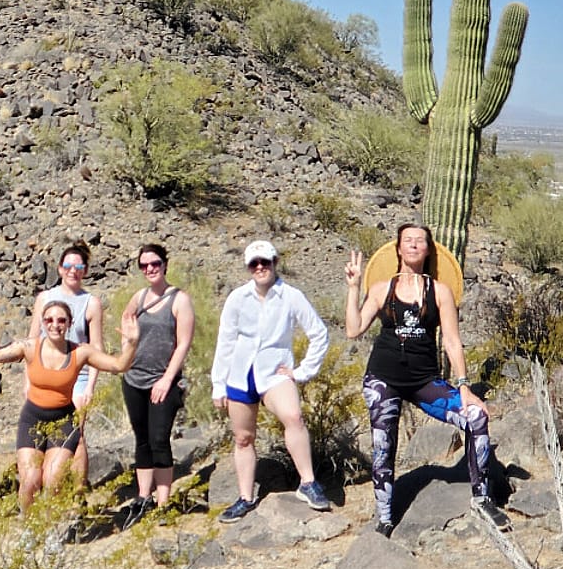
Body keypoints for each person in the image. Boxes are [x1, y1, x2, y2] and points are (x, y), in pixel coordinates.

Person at [345, 223, 510, 536]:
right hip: (383, 379)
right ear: (398, 248)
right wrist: (354, 288)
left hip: (425, 381)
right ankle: (385, 518)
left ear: (428, 250)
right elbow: (354, 329)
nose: (413, 245)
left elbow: (451, 341)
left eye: (420, 241)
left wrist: (464, 387)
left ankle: (483, 499)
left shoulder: (441, 292)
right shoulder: (382, 289)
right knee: (383, 442)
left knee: (475, 417)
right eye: (407, 240)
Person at [0, 298, 138, 512]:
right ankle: (29, 528)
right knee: (30, 480)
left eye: (61, 320)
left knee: (53, 480)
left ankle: (52, 529)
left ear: (70, 323)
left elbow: (119, 365)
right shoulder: (29, 347)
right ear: (42, 322)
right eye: (49, 319)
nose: (55, 325)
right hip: (32, 419)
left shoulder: (80, 352)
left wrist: (133, 344)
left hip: (64, 421)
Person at [211, 240, 332, 523]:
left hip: (274, 373)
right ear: (248, 268)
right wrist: (218, 383)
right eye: (254, 264)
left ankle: (307, 482)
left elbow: (319, 333)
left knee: (293, 416)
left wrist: (302, 372)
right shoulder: (237, 299)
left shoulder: (291, 296)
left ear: (275, 262)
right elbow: (225, 342)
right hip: (240, 374)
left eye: (265, 262)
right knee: (243, 437)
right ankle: (245, 497)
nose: (260, 268)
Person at [121, 244, 194, 520]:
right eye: (144, 265)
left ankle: (163, 503)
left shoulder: (179, 300)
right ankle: (143, 497)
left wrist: (166, 379)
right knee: (142, 440)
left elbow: (183, 343)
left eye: (154, 263)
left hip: (164, 381)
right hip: (134, 379)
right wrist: (126, 349)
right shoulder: (138, 297)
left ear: (165, 264)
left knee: (159, 439)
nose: (150, 269)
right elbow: (126, 328)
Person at [28, 242, 104, 490]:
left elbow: (96, 348)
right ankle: (48, 485)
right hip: (44, 374)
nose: (74, 270)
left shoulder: (90, 303)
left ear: (85, 270)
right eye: (69, 266)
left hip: (78, 377)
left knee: (77, 436)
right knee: (41, 434)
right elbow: (32, 342)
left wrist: (90, 386)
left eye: (79, 266)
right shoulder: (45, 299)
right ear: (60, 269)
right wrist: (27, 381)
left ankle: (78, 491)